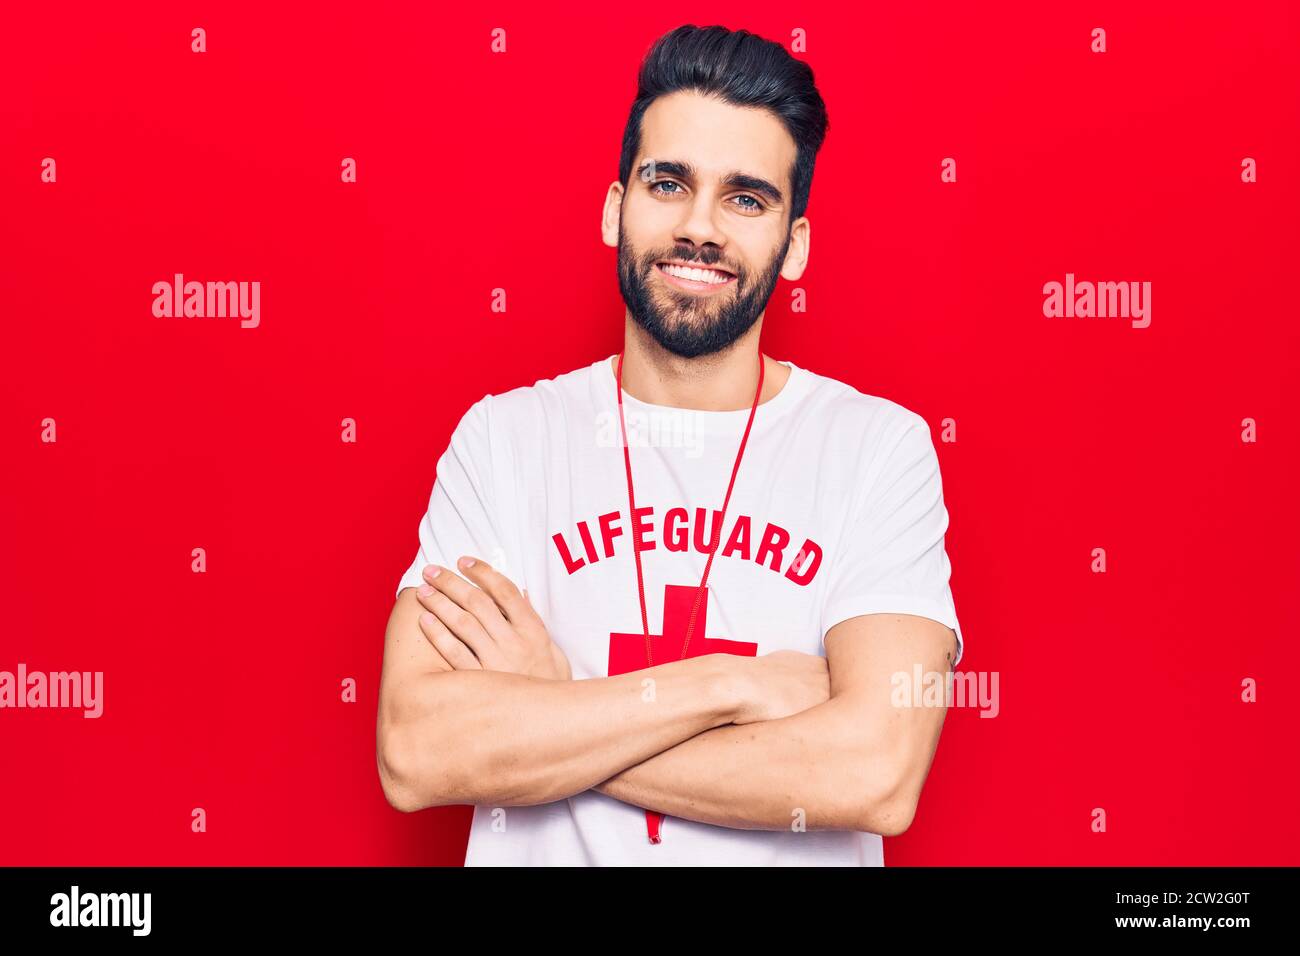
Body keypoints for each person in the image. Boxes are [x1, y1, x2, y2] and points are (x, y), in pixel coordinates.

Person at [377, 24, 963, 866]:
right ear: (616, 208)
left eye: (747, 198)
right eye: (668, 183)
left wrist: (558, 707)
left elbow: (874, 773)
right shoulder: (504, 440)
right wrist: (736, 685)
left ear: (793, 245)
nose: (700, 227)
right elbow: (417, 749)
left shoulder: (878, 449)